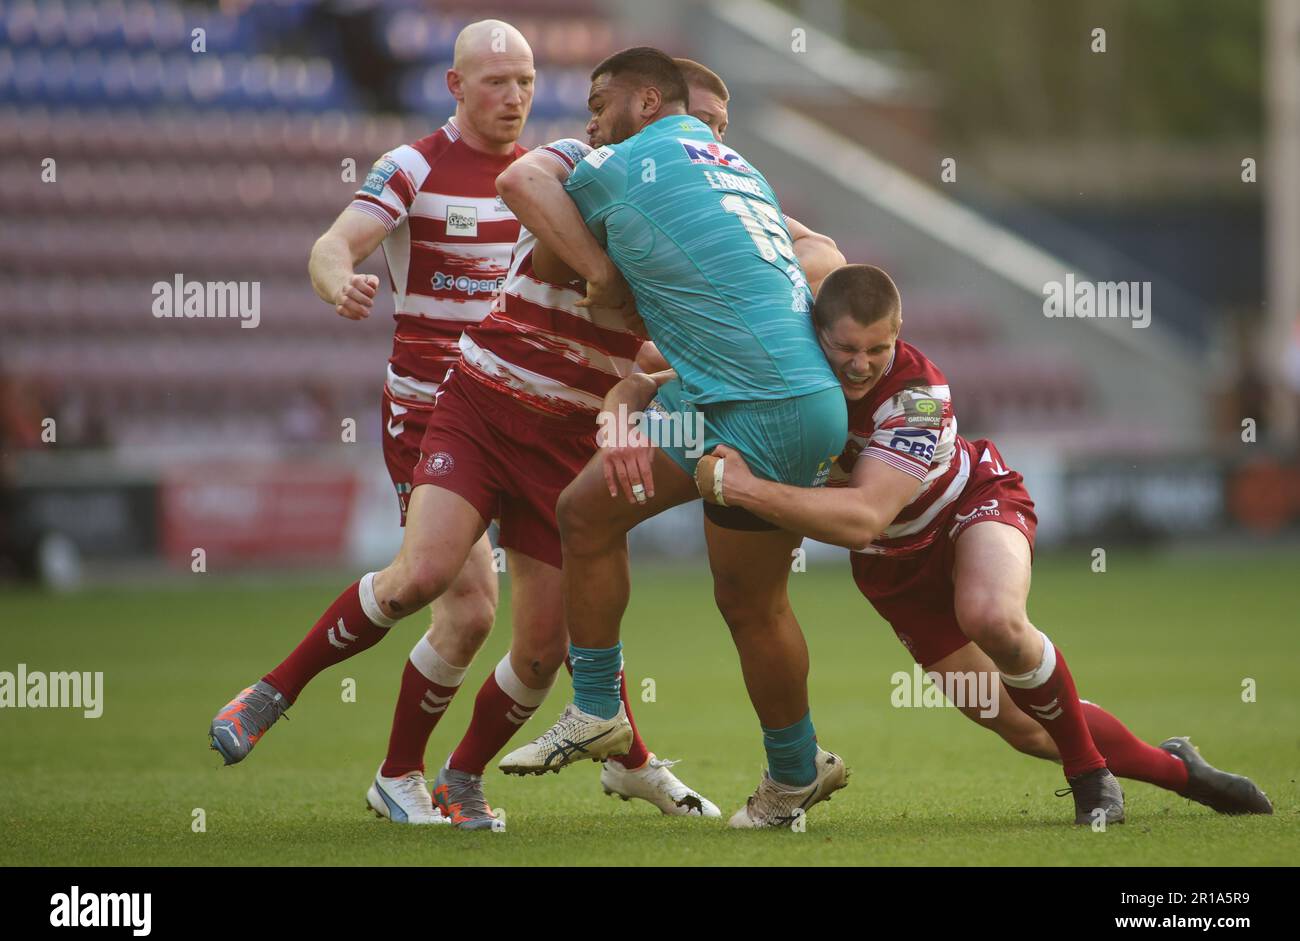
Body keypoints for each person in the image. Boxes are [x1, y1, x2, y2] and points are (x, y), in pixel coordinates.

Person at [207, 22, 712, 828]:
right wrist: (339, 279)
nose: (514, 97)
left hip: (554, 418)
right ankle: (300, 711)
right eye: (496, 81)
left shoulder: (574, 180)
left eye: (525, 81)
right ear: (455, 86)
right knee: (455, 594)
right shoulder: (420, 165)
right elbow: (336, 243)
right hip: (440, 403)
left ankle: (547, 764)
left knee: (542, 637)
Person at [677, 264, 1272, 823]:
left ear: (897, 336)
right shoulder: (790, 364)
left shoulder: (917, 397)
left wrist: (745, 490)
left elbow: (860, 518)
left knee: (992, 617)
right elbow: (687, 358)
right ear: (816, 333)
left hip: (969, 509)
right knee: (1024, 726)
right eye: (846, 348)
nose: (860, 365)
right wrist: (637, 391)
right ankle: (1183, 773)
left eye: (877, 350)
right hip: (895, 570)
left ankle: (1090, 775)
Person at [493, 47, 851, 828]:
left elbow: (519, 182)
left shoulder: (628, 159)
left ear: (647, 100)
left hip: (768, 409)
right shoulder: (734, 168)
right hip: (740, 394)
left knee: (750, 604)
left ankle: (793, 775)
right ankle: (599, 711)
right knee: (586, 513)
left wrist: (602, 272)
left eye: (600, 101)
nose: (591, 120)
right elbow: (825, 253)